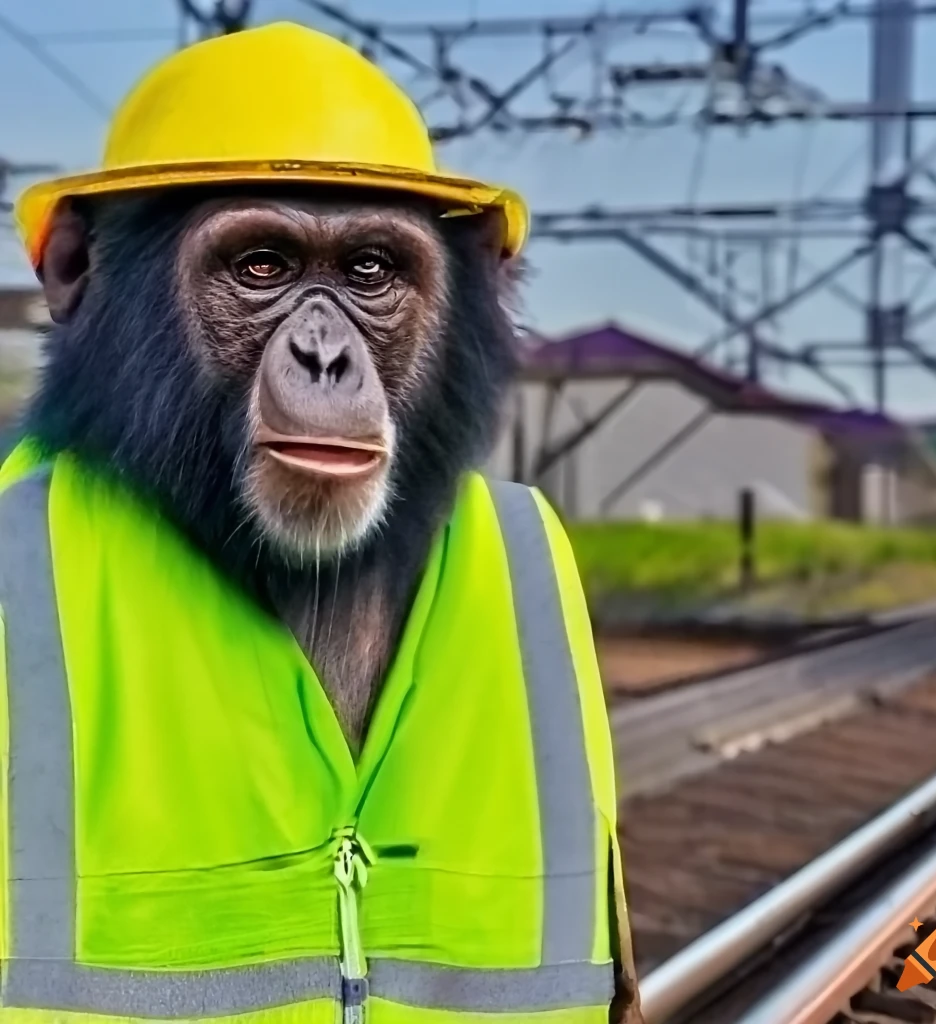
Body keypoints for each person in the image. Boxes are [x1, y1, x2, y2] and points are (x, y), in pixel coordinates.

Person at [0, 21, 642, 1024]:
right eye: (259, 266)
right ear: (80, 270)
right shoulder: (14, 572)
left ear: (478, 295)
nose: (323, 351)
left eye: (375, 275)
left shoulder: (522, 558)